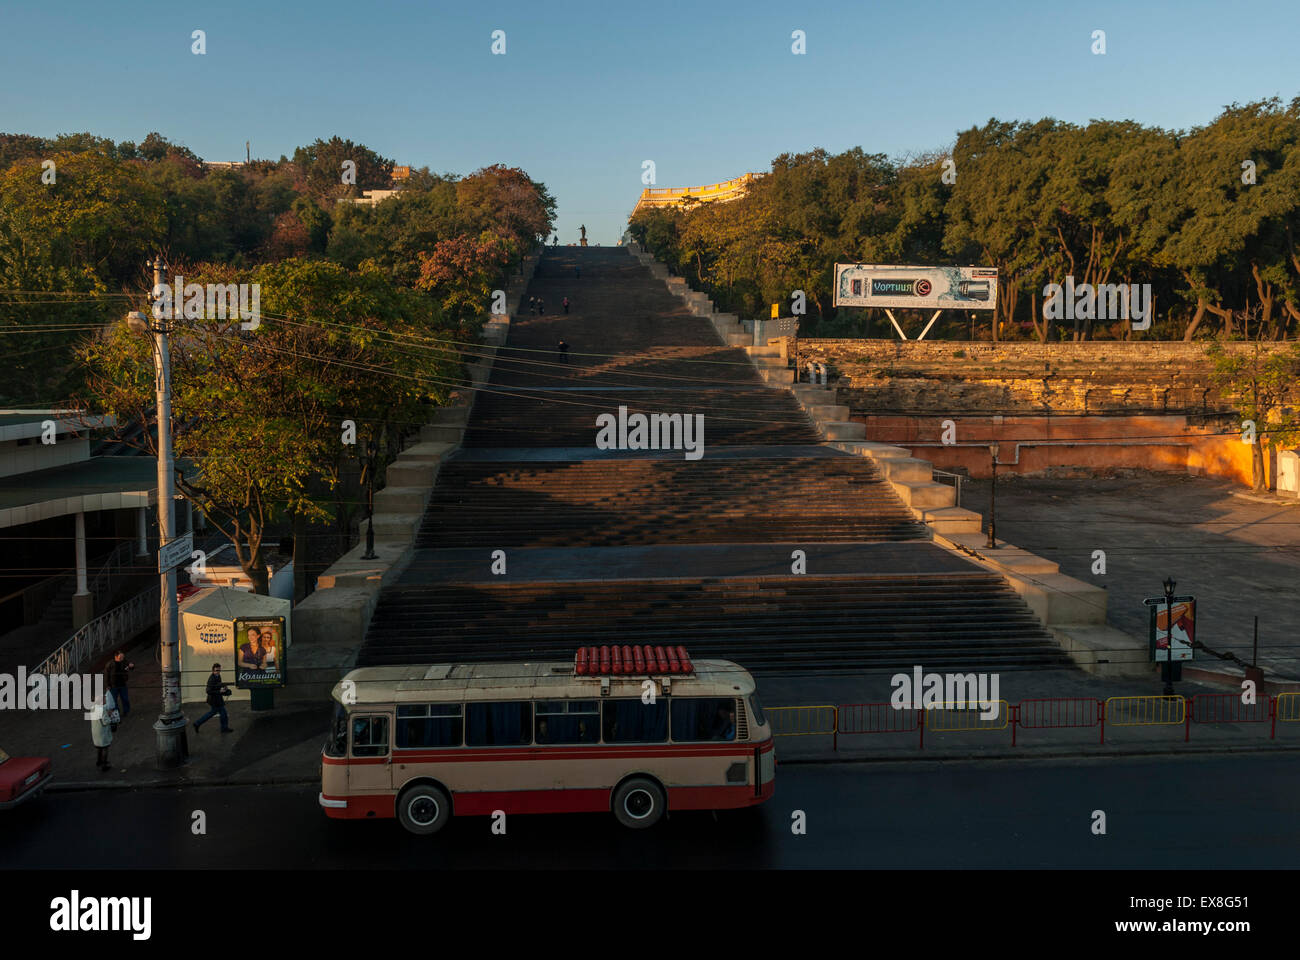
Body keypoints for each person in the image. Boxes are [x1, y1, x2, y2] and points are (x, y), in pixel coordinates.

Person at [194, 664, 233, 733]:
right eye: (216, 670)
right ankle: (224, 728)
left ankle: (197, 723)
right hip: (214, 700)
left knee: (214, 713)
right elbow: (208, 691)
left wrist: (224, 687)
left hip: (217, 699)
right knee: (222, 713)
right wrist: (219, 691)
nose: (218, 672)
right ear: (213, 671)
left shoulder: (218, 676)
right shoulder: (211, 679)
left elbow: (218, 685)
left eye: (219, 670)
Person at [90, 688, 118, 771]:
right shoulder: (102, 710)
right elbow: (105, 722)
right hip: (102, 733)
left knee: (99, 747)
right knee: (105, 748)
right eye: (105, 699)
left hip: (95, 732)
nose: (106, 700)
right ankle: (104, 765)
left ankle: (98, 761)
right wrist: (109, 715)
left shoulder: (93, 707)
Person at [106, 650, 134, 717]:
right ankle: (116, 713)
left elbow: (131, 666)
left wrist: (132, 666)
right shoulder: (110, 664)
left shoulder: (124, 661)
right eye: (120, 657)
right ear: (116, 656)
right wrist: (107, 685)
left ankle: (126, 712)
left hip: (122, 684)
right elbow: (107, 675)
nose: (122, 658)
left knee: (125, 699)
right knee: (114, 701)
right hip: (113, 685)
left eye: (123, 657)